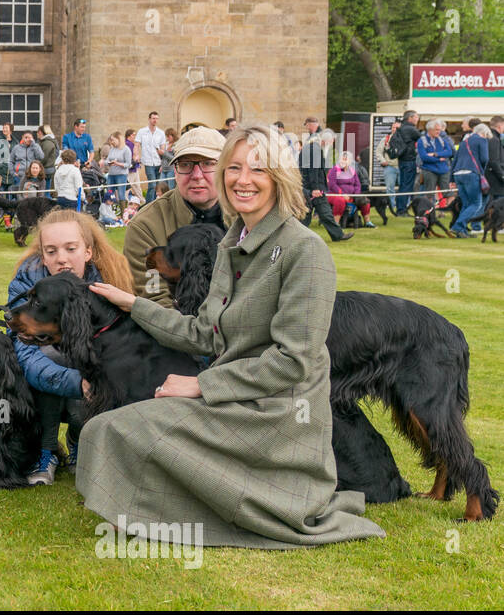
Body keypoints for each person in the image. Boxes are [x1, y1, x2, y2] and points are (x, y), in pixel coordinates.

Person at [79, 123, 386, 549]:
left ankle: (179, 509)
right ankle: (150, 508)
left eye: (258, 169)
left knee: (115, 431)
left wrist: (202, 385)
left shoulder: (305, 250)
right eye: (235, 168)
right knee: (104, 428)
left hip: (277, 413)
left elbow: (292, 361)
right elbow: (204, 333)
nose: (243, 180)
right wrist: (133, 303)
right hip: (234, 400)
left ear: (279, 176)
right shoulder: (231, 243)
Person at [9, 209, 133, 484]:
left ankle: (80, 439)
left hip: (94, 384)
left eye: (71, 248)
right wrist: (79, 383)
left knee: (94, 359)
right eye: (51, 251)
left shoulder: (110, 279)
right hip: (40, 383)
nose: (61, 258)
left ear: (88, 251)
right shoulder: (27, 281)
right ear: (42, 256)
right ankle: (46, 449)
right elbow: (26, 355)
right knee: (50, 353)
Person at [122, 126, 229, 307]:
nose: (197, 175)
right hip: (177, 329)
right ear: (175, 171)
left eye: (208, 164)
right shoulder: (146, 226)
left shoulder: (247, 216)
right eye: (185, 165)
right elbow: (155, 303)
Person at [299, 129, 353, 242]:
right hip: (313, 188)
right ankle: (297, 237)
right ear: (326, 140)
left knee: (324, 213)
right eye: (332, 142)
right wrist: (315, 189)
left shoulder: (312, 147)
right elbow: (313, 170)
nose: (331, 145)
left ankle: (337, 235)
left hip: (310, 187)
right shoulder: (315, 149)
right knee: (307, 216)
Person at [449, 122, 492, 238]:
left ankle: (462, 231)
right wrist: (481, 172)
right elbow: (485, 158)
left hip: (458, 173)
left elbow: (455, 160)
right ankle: (458, 226)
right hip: (471, 173)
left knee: (466, 204)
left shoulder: (464, 142)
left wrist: (451, 179)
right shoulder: (482, 140)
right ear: (484, 133)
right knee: (476, 204)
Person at [327, 150, 375, 228]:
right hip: (335, 194)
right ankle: (336, 223)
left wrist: (355, 195)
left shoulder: (352, 171)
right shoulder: (334, 170)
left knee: (364, 200)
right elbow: (332, 185)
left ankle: (367, 222)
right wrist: (342, 194)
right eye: (342, 159)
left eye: (346, 159)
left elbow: (357, 184)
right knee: (340, 201)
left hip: (351, 195)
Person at [391, 109, 420, 215]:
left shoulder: (401, 128)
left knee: (403, 184)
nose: (418, 119)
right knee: (406, 185)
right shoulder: (410, 129)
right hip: (409, 160)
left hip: (402, 160)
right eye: (416, 117)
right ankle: (402, 210)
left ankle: (400, 208)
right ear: (410, 118)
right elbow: (422, 138)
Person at [416, 118, 453, 197]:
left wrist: (435, 154)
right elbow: (424, 157)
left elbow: (449, 152)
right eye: (436, 130)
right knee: (429, 194)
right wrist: (439, 159)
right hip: (429, 170)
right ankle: (430, 209)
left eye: (439, 130)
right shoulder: (421, 141)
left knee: (448, 194)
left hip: (444, 170)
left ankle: (450, 208)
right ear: (430, 129)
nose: (438, 132)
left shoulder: (442, 140)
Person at [137, 112, 168, 202]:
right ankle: (149, 205)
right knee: (152, 185)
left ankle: (153, 203)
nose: (155, 120)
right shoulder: (142, 132)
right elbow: (137, 145)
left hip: (158, 162)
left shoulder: (161, 133)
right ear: (149, 119)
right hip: (148, 162)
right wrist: (136, 155)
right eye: (153, 118)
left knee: (157, 186)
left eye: (157, 118)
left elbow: (163, 151)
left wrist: (163, 163)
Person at [105, 132, 131, 203]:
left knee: (121, 194)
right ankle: (111, 210)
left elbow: (128, 164)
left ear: (119, 139)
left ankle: (123, 212)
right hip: (111, 175)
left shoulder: (126, 150)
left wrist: (118, 164)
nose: (111, 142)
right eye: (111, 140)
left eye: (113, 140)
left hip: (121, 175)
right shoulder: (112, 149)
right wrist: (109, 163)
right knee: (110, 193)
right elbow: (106, 160)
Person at [0, 122, 14, 192]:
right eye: (3, 128)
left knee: (9, 197)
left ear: (11, 130)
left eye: (6, 128)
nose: (4, 129)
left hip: (10, 175)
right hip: (0, 173)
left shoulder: (15, 142)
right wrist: (0, 166)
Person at [37, 124, 58, 190]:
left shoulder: (47, 142)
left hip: (46, 170)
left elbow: (44, 157)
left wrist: (36, 165)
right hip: (48, 168)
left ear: (40, 132)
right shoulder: (51, 140)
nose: (37, 133)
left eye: (38, 131)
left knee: (44, 191)